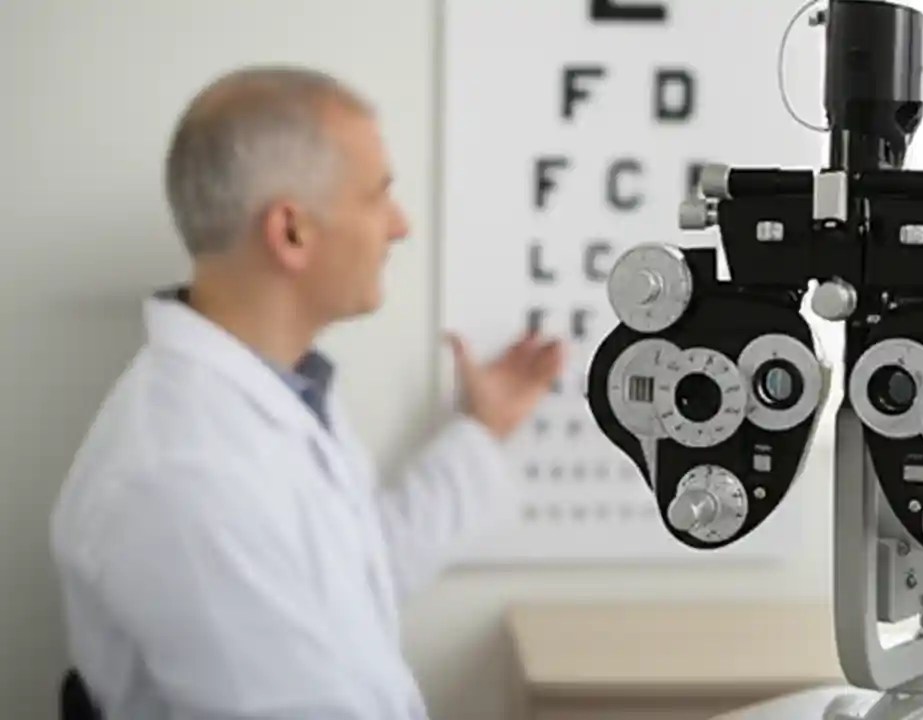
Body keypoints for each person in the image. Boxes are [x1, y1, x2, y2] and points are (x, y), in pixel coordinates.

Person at [49, 64, 563, 719]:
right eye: (379, 195)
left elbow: (356, 575)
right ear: (292, 231)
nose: (400, 225)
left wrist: (482, 430)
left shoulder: (274, 395)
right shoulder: (183, 477)